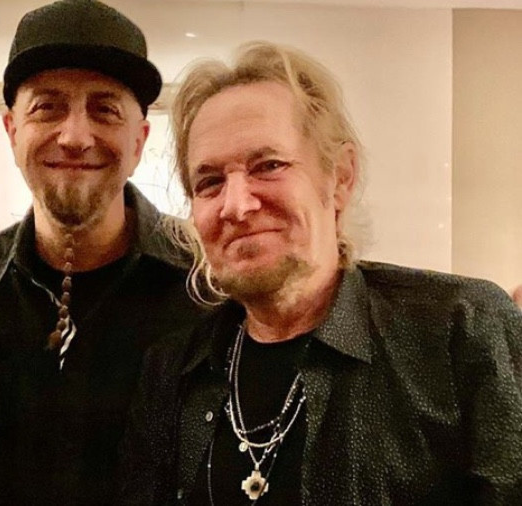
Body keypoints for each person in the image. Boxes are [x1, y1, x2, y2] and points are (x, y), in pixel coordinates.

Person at [118, 41, 522, 505]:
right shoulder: (173, 373)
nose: (236, 205)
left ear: (340, 177)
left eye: (268, 166)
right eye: (210, 182)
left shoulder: (462, 333)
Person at [0, 1, 204, 504]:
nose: (75, 137)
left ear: (139, 141)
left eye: (105, 109)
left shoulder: (206, 288)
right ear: (12, 132)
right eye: (47, 107)